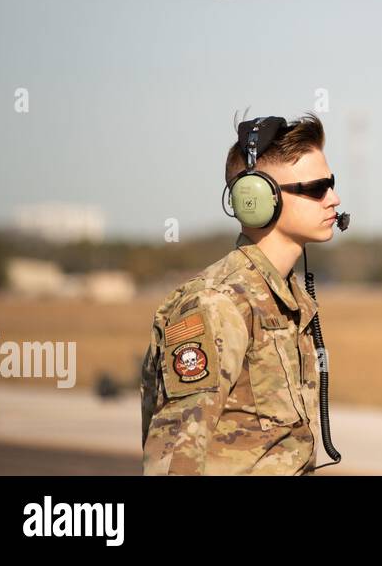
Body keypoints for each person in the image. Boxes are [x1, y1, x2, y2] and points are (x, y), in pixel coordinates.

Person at [139, 114, 342, 474]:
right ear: (257, 198)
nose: (334, 199)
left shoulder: (288, 300)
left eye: (332, 184)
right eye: (316, 188)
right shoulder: (218, 304)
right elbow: (174, 460)